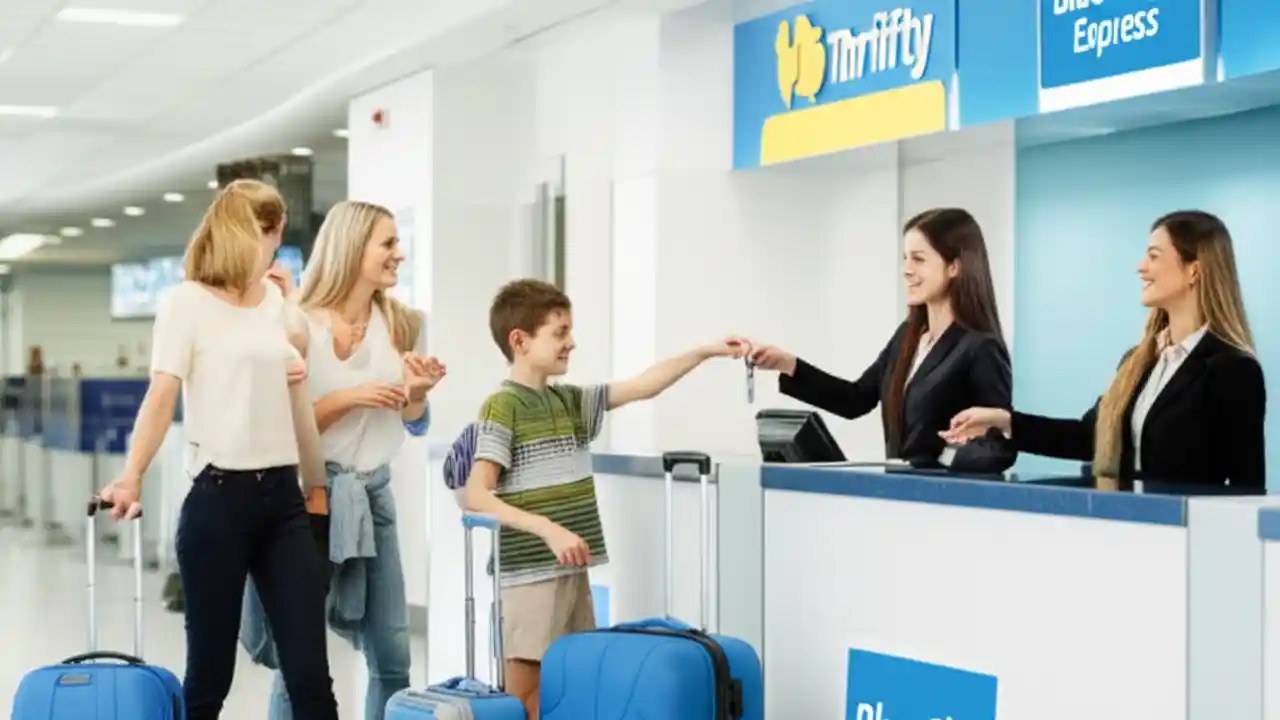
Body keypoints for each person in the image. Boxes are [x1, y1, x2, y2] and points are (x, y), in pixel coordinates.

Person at [97, 179, 340, 720]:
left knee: (309, 673)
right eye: (273, 238)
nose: (275, 250)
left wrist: (291, 299)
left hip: (282, 499)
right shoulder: (185, 304)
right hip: (217, 499)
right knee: (210, 674)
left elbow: (300, 353)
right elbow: (162, 395)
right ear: (253, 234)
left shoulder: (274, 301)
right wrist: (132, 474)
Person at [461, 278, 745, 718]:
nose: (571, 343)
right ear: (519, 341)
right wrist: (549, 529)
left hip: (571, 574)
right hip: (530, 577)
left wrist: (704, 351)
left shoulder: (571, 401)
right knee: (526, 702)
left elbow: (644, 386)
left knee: (572, 693)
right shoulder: (503, 406)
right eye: (559, 333)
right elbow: (476, 494)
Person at [240, 200, 445, 720]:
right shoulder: (299, 324)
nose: (399, 254)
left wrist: (416, 394)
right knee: (299, 662)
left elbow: (415, 423)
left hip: (373, 497)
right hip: (308, 498)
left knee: (394, 656)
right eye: (388, 243)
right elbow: (283, 426)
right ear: (354, 249)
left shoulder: (404, 325)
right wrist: (351, 397)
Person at [944, 210, 1266, 491]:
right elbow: (1089, 438)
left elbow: (1246, 485)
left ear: (1194, 270)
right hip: (1128, 531)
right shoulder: (1138, 361)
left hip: (1184, 541)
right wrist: (1004, 421)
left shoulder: (1233, 369)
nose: (1141, 267)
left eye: (1154, 256)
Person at [740, 208, 1012, 469]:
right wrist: (788, 364)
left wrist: (944, 459)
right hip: (897, 497)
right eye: (904, 258)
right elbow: (855, 399)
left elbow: (998, 448)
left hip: (944, 501)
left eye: (918, 259)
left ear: (954, 266)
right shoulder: (908, 336)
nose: (906, 269)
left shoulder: (981, 348)